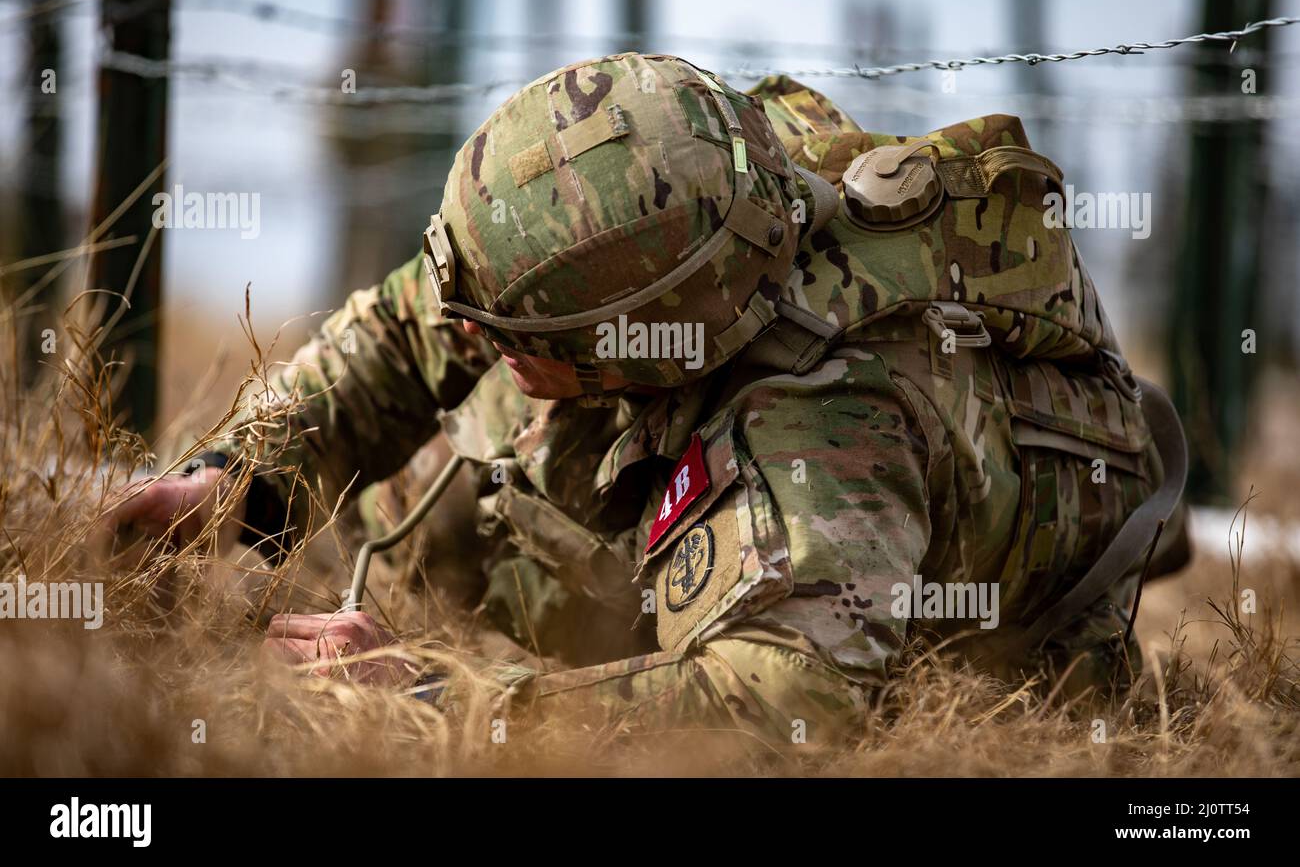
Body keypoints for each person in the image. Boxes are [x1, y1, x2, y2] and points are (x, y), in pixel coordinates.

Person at [103, 52, 1187, 748]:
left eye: (515, 338)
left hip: (933, 560)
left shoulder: (821, 428)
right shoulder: (668, 190)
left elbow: (785, 706)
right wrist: (241, 483)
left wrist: (436, 686)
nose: (467, 335)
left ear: (650, 348)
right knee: (491, 438)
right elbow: (411, 321)